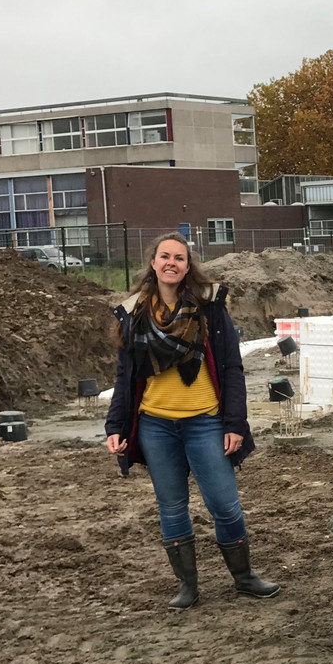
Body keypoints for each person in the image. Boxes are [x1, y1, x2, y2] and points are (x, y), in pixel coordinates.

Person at [105, 232, 279, 610]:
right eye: (164, 256)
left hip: (206, 422)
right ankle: (188, 585)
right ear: (153, 263)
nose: (171, 263)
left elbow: (232, 368)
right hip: (155, 426)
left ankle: (245, 577)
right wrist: (116, 427)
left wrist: (234, 423)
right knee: (171, 507)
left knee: (225, 504)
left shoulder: (209, 308)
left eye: (179, 258)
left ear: (188, 266)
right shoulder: (133, 314)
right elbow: (125, 377)